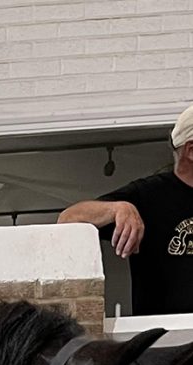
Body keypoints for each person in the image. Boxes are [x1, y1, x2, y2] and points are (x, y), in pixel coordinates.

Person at [56, 102, 193, 317]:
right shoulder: (150, 195)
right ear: (191, 150)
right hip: (164, 342)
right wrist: (118, 208)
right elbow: (68, 219)